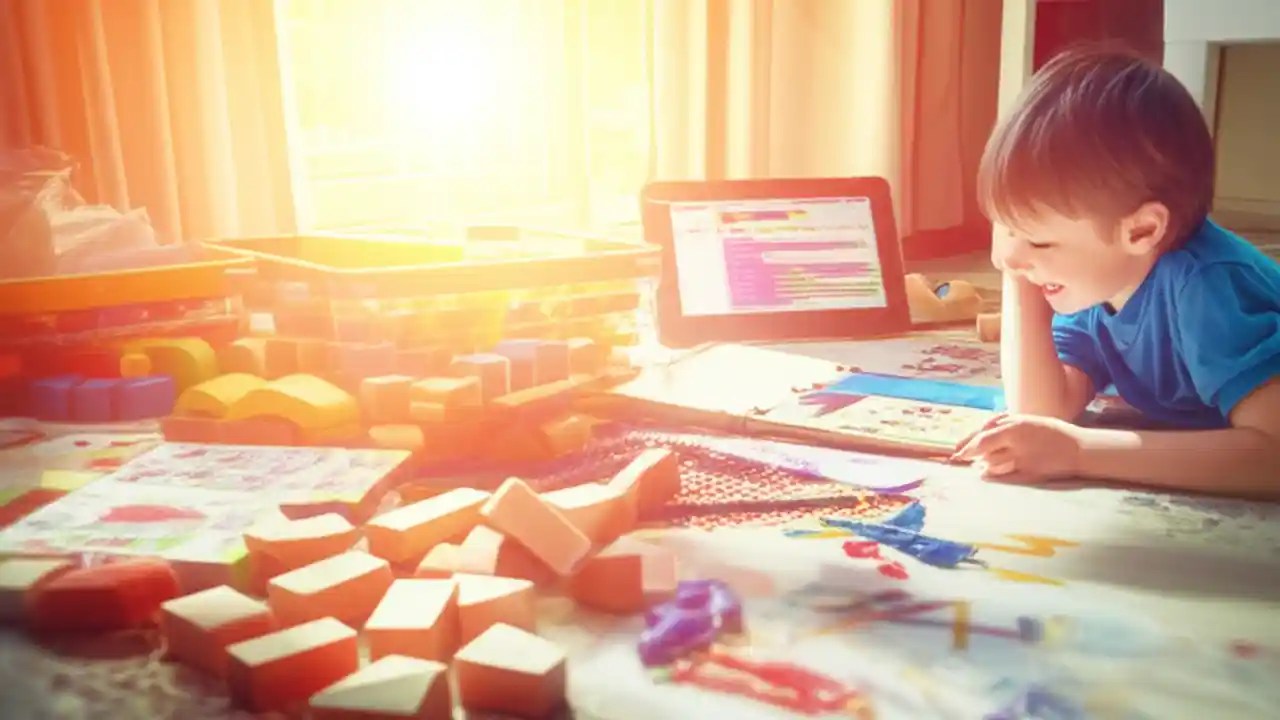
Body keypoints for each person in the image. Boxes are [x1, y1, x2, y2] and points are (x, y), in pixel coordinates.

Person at [951, 46, 1280, 499]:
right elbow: (1043, 410)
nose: (1007, 256)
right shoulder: (1098, 280)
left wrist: (1082, 451)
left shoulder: (1205, 287)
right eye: (1004, 228)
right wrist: (1020, 270)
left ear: (1142, 230)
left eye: (1040, 239)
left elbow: (1273, 456)